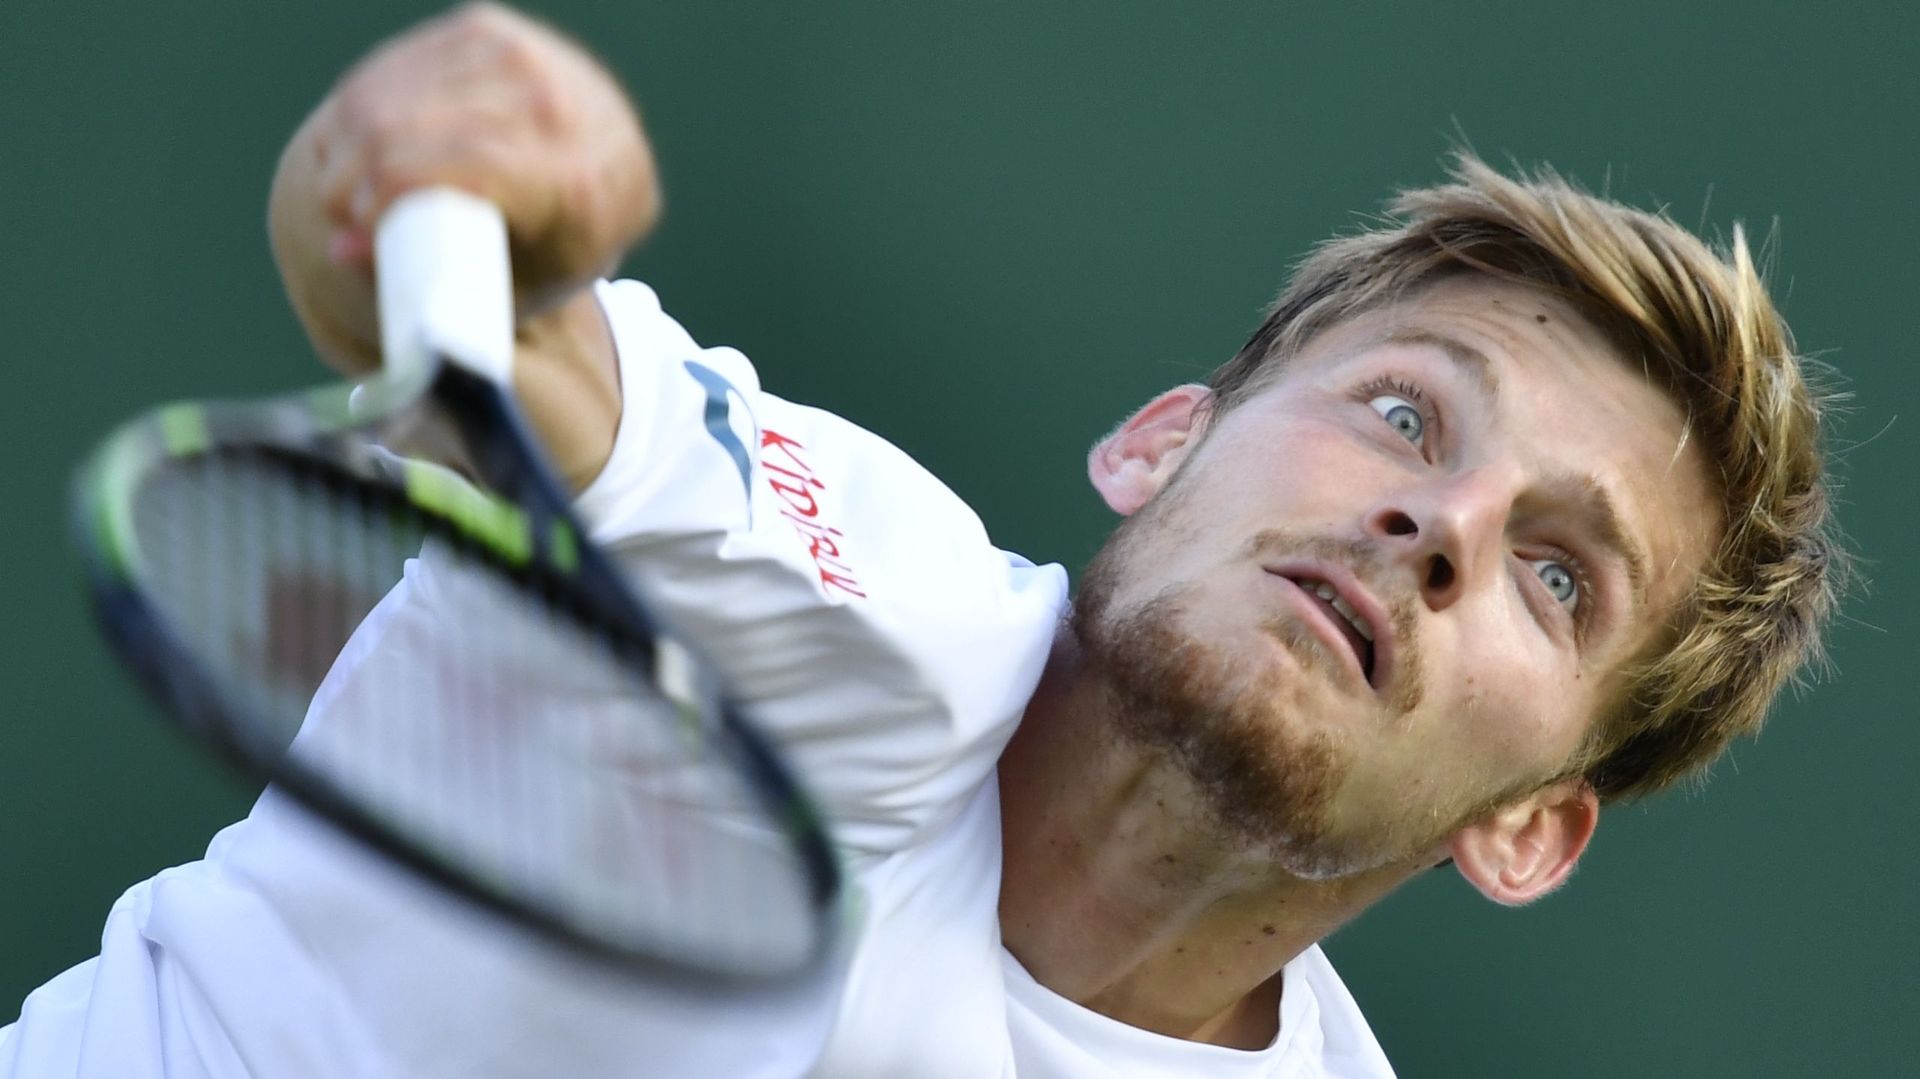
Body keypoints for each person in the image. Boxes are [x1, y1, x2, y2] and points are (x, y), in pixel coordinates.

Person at [1, 4, 1838, 1077]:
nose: (1438, 523)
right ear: (1163, 445)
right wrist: (445, 190)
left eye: (1557, 576)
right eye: (1407, 413)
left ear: (1533, 828)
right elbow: (516, 358)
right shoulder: (845, 600)